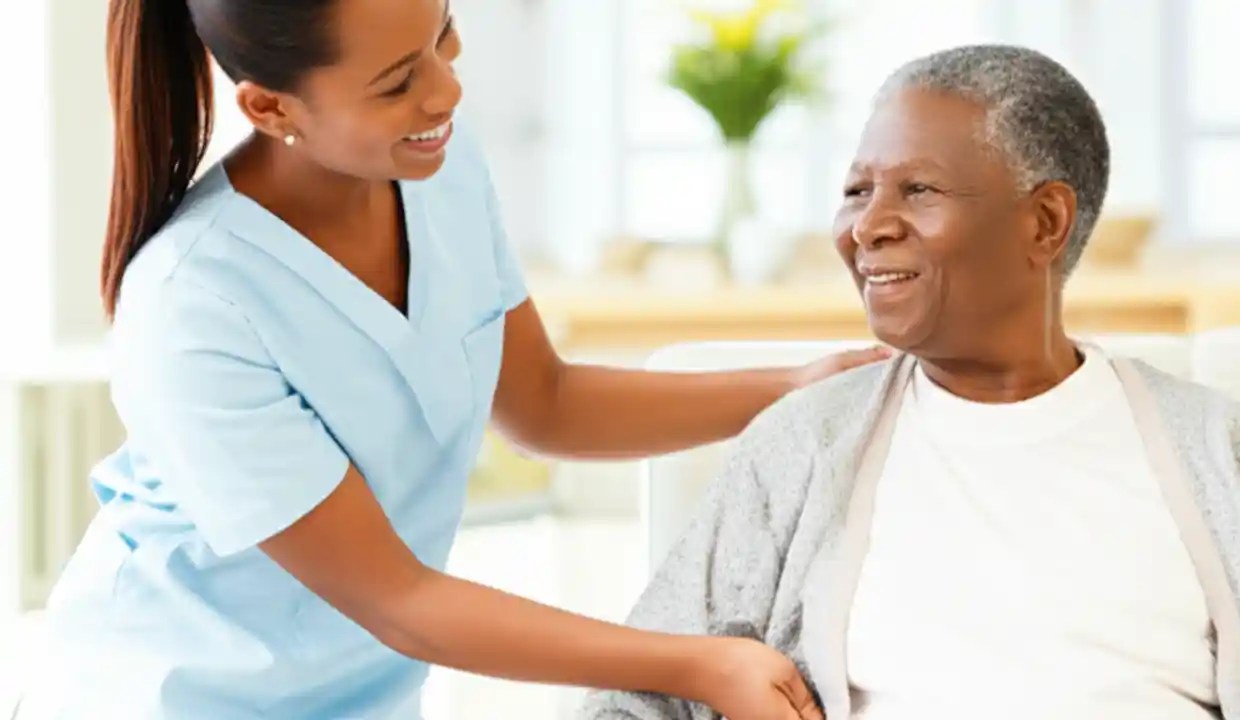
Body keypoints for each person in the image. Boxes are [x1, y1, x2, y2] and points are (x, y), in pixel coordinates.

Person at [16, 1, 891, 718]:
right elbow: (401, 600)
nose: (446, 92)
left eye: (441, 34)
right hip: (173, 697)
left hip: (366, 694)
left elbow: (545, 403)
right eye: (398, 81)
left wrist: (796, 389)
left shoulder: (438, 167)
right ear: (272, 108)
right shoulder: (192, 302)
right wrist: (694, 665)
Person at [580, 45, 1240, 720]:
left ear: (1045, 223)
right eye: (857, 191)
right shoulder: (806, 445)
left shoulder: (1225, 453)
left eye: (918, 190)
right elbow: (630, 701)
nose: (869, 226)